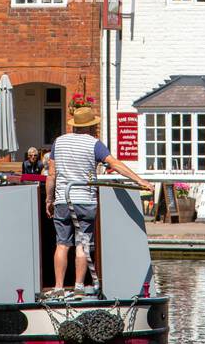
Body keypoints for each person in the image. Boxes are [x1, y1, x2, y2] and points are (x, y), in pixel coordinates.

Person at [45, 105, 152, 296]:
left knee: (62, 244)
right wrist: (140, 181)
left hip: (62, 200)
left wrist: (48, 200)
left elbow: (51, 175)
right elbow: (115, 164)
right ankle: (78, 287)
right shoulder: (94, 144)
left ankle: (58, 287)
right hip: (85, 201)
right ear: (90, 126)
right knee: (82, 245)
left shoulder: (58, 143)